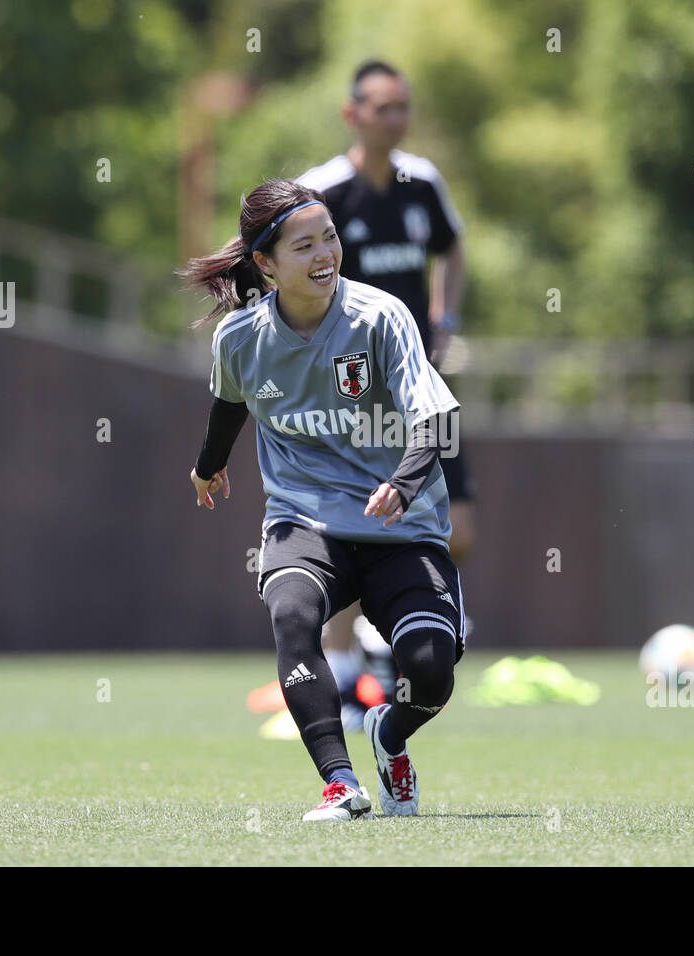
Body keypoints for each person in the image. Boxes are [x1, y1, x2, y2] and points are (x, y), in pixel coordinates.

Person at [183, 178, 466, 822]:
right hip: (303, 517)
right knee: (291, 613)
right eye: (304, 245)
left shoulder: (380, 316)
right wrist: (208, 467)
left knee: (429, 671)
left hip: (402, 523)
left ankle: (389, 736)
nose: (324, 255)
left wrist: (404, 481)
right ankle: (340, 782)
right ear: (265, 263)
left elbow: (433, 421)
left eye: (330, 239)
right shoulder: (241, 338)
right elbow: (229, 404)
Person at [296, 60, 476, 731]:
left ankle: (401, 631)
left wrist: (444, 319)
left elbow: (454, 249)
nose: (395, 119)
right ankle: (343, 680)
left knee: (461, 525)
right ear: (352, 114)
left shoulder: (421, 182)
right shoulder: (323, 192)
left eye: (403, 107)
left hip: (420, 386)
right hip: (348, 392)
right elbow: (274, 261)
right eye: (382, 108)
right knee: (345, 528)